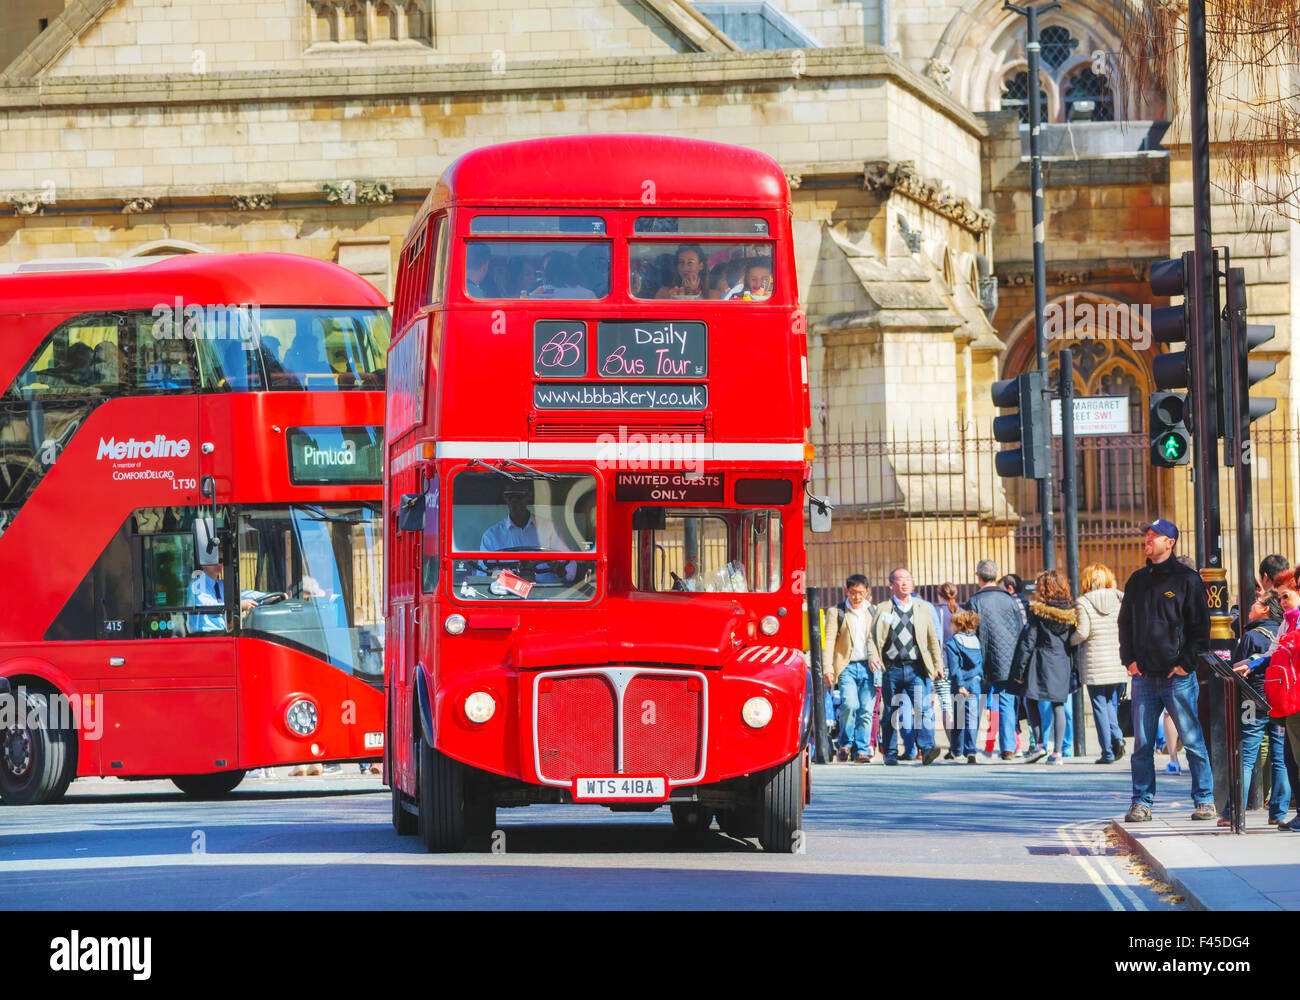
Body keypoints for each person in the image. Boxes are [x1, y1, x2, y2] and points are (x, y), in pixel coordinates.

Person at [1119, 518, 1216, 822]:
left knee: (1193, 740)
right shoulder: (1136, 580)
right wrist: (1129, 660)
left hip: (1178, 678)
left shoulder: (1188, 580)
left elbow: (1200, 627)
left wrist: (1186, 664)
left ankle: (1205, 800)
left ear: (1170, 542)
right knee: (1143, 745)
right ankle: (1141, 802)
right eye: (1147, 535)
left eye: (1154, 536)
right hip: (1145, 676)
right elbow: (1125, 624)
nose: (1148, 540)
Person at [1220, 590, 1290, 827]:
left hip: (1253, 700)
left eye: (1256, 603)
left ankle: (1233, 811)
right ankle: (1278, 813)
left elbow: (1237, 666)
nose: (1251, 606)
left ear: (1265, 609)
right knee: (1279, 758)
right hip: (1278, 700)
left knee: (1247, 757)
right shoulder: (1284, 631)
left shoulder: (1251, 636)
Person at [873, 566, 944, 765]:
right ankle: (890, 752)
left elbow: (933, 639)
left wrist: (938, 664)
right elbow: (873, 638)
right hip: (892, 668)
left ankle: (927, 748)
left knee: (922, 709)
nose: (905, 583)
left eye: (908, 579)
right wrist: (873, 657)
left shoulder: (923, 608)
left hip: (916, 668)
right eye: (900, 580)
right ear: (891, 585)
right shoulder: (884, 609)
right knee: (890, 711)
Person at [966, 559, 1026, 760]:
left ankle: (970, 748)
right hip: (1008, 660)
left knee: (976, 703)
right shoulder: (1010, 600)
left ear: (979, 577)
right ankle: (1008, 747)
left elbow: (969, 632)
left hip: (982, 658)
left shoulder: (975, 601)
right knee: (1006, 702)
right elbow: (1019, 628)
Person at [1018, 570, 1078, 764]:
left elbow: (1029, 640)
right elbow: (1074, 641)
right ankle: (1058, 753)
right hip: (1062, 660)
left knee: (1032, 700)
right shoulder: (1071, 612)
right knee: (1058, 704)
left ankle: (1040, 745)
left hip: (1040, 659)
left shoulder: (1037, 610)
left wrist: (1020, 669)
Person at [1071, 562, 1128, 764]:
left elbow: (1083, 632)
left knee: (1099, 705)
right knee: (1111, 702)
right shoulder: (1120, 599)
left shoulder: (1083, 602)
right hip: (1117, 659)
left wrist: (1070, 640)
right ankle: (1118, 737)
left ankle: (1108, 752)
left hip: (1095, 661)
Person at [825, 574, 883, 762]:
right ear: (846, 591)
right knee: (850, 704)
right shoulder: (837, 611)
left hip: (868, 666)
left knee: (867, 709)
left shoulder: (873, 612)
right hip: (846, 666)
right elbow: (829, 640)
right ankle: (845, 743)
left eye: (860, 593)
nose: (857, 597)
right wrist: (828, 667)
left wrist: (877, 659)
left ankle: (862, 749)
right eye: (852, 592)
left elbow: (876, 639)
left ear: (867, 592)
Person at [478, 480, 575, 585]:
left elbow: (570, 569)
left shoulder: (550, 530)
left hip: (547, 594)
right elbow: (483, 575)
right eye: (510, 496)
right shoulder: (491, 536)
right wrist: (506, 577)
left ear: (529, 496)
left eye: (519, 496)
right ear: (504, 498)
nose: (514, 501)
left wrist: (561, 571)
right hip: (507, 596)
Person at [945, 610, 983, 763]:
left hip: (960, 682)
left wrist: (959, 684)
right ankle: (971, 750)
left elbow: (954, 667)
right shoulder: (976, 641)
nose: (950, 626)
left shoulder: (952, 643)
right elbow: (980, 663)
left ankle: (956, 750)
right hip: (975, 681)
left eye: (952, 623)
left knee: (958, 718)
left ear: (958, 626)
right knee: (972, 718)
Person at [187, 561, 260, 633]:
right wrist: (237, 605)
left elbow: (244, 594)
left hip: (221, 634)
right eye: (214, 560)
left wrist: (269, 597)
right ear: (203, 564)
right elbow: (207, 607)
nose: (218, 564)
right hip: (203, 637)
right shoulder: (198, 584)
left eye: (221, 560)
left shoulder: (221, 584)